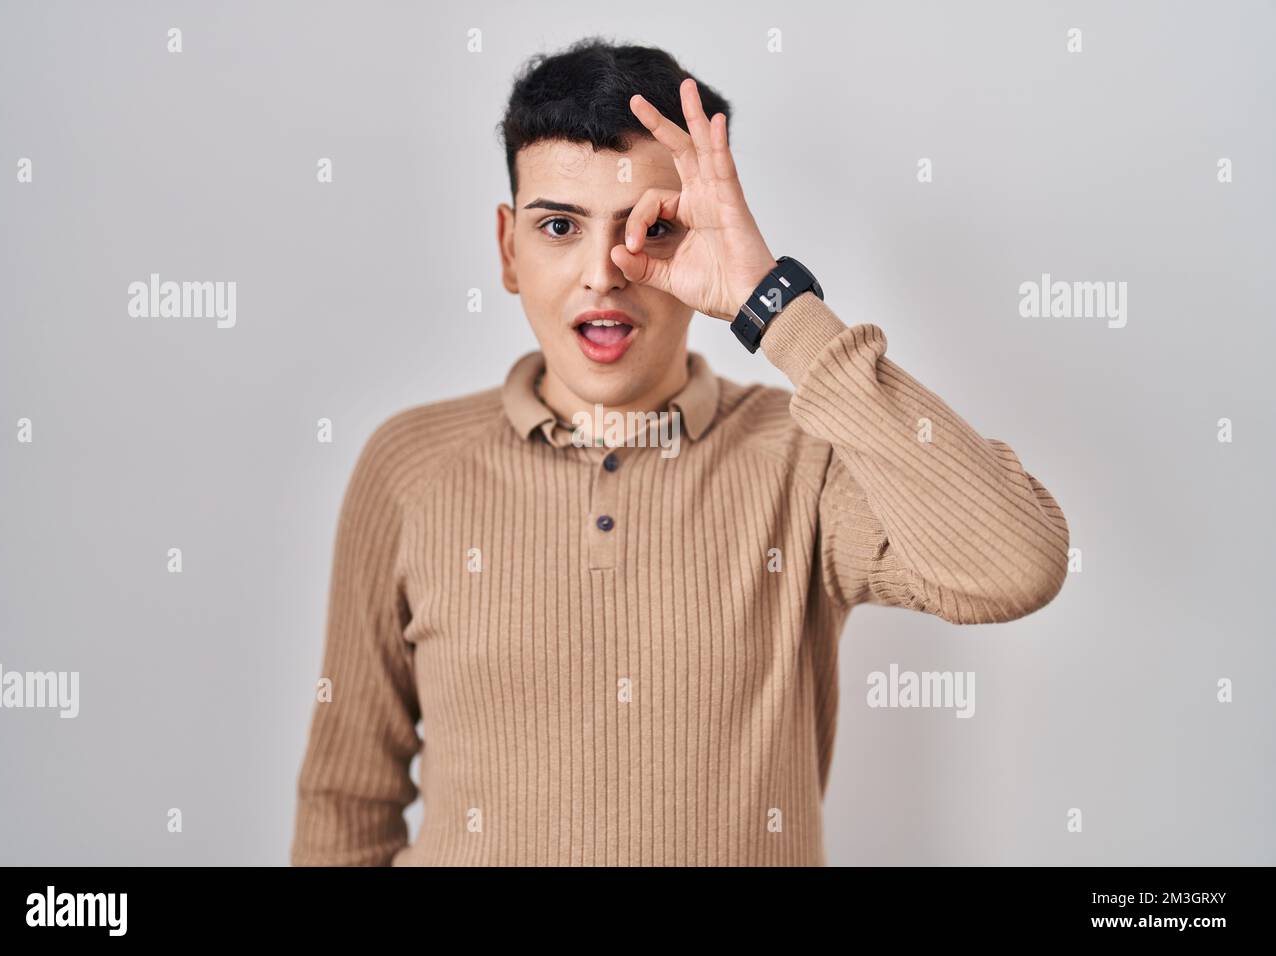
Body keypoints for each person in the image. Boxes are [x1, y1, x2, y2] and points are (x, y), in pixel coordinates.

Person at [290, 37, 1069, 866]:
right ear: (508, 249)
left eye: (650, 228)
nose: (604, 273)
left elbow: (1016, 565)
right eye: (558, 225)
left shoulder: (803, 458)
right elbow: (346, 798)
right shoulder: (409, 465)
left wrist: (775, 304)